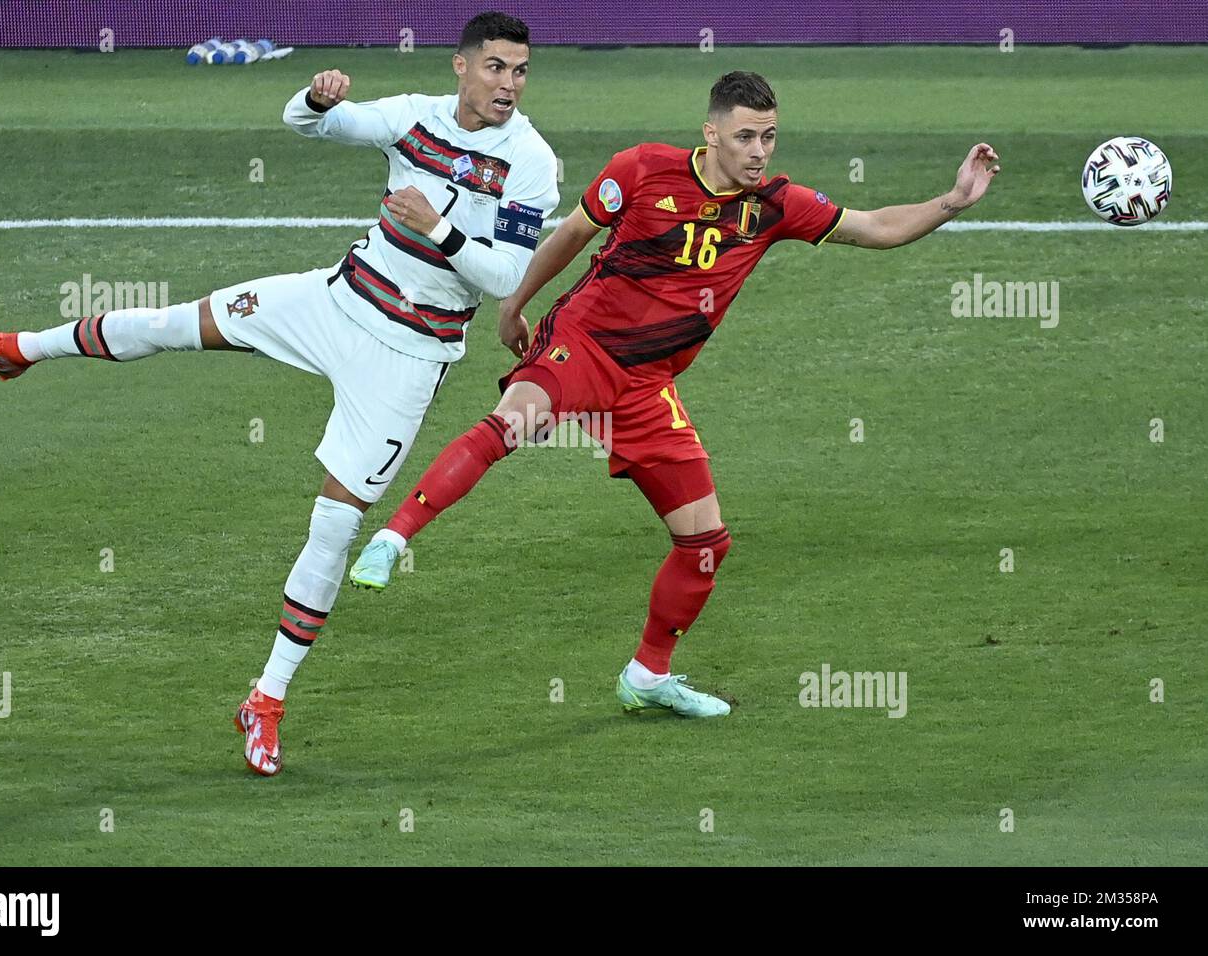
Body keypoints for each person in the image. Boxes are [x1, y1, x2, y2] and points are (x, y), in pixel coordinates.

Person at [0, 11, 560, 775]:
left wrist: (437, 228)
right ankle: (18, 349)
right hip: (333, 301)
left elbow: (506, 279)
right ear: (461, 67)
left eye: (520, 70)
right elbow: (308, 124)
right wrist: (318, 99)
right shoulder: (412, 118)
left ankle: (266, 699)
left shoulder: (529, 159)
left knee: (333, 528)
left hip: (410, 354)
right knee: (172, 322)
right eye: (495, 67)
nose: (509, 84)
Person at [349, 70, 999, 717]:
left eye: (769, 137)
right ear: (711, 133)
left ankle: (648, 676)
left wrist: (952, 200)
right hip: (585, 342)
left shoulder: (772, 206)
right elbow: (572, 235)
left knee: (706, 542)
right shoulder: (643, 170)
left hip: (646, 384)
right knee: (513, 424)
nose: (759, 151)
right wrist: (516, 304)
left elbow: (875, 227)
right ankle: (395, 538)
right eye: (745, 136)